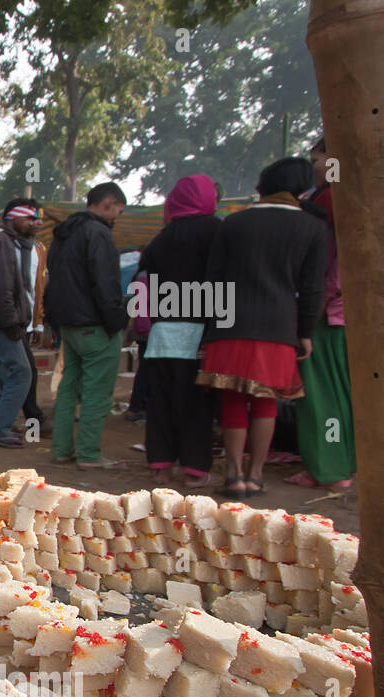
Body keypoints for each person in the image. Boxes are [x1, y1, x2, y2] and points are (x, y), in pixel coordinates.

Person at [199, 157, 326, 498]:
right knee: (267, 401)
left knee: (234, 399)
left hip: (230, 326)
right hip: (279, 327)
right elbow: (313, 287)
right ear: (301, 186)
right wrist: (305, 332)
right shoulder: (313, 228)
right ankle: (256, 475)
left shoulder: (234, 223)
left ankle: (234, 475)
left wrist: (209, 329)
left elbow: (213, 281)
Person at [133, 174, 222, 487]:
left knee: (161, 403)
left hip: (161, 337)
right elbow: (222, 285)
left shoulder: (161, 239)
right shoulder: (217, 232)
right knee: (196, 404)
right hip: (199, 334)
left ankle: (161, 466)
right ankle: (195, 469)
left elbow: (145, 284)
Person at [44, 181, 129, 469]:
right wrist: (116, 321)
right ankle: (90, 454)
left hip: (68, 325)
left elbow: (52, 280)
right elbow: (106, 284)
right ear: (107, 204)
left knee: (69, 387)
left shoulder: (63, 234)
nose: (117, 217)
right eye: (118, 210)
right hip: (95, 325)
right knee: (97, 391)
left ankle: (62, 450)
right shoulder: (98, 233)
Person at [286, 138, 355, 490]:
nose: (314, 166)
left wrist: (315, 308)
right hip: (350, 317)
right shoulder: (352, 197)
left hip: (327, 315)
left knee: (320, 396)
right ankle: (345, 462)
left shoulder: (333, 203)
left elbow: (336, 269)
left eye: (319, 159)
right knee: (345, 393)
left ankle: (328, 468)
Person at [0, 198, 48, 448]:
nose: (36, 223)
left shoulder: (7, 242)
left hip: (0, 321)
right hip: (2, 323)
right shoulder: (2, 243)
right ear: (13, 218)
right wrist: (12, 323)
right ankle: (0, 428)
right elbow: (0, 288)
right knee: (22, 372)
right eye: (30, 218)